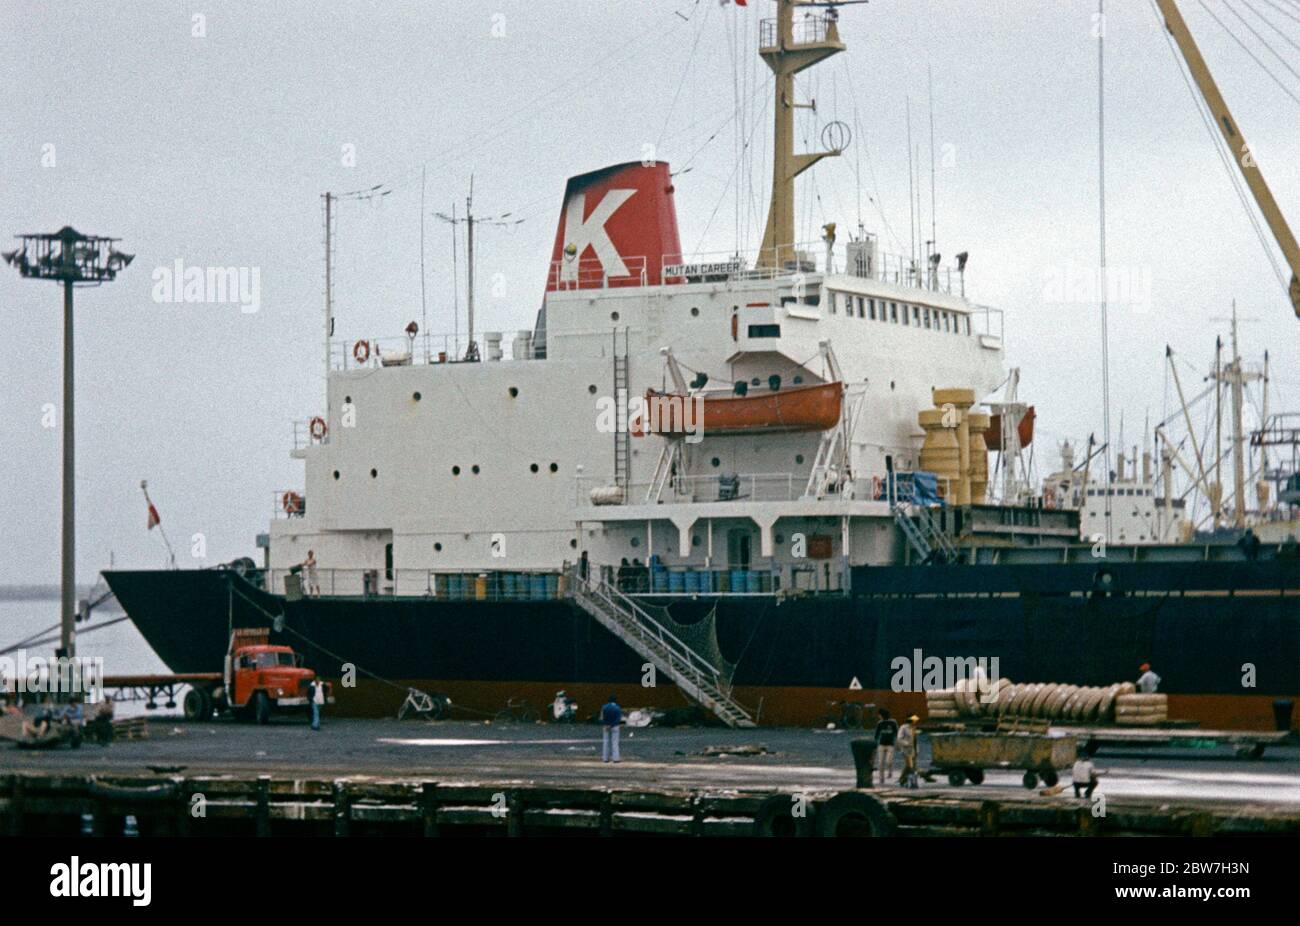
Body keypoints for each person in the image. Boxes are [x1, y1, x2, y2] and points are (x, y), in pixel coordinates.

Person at [873, 708, 900, 785]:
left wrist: (897, 743)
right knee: (880, 762)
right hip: (881, 744)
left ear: (882, 715)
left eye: (879, 715)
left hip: (890, 744)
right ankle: (881, 778)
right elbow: (876, 735)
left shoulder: (893, 722)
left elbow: (897, 733)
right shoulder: (880, 723)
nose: (878, 716)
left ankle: (890, 771)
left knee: (889, 761)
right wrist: (874, 744)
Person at [896, 714, 920, 788]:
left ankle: (903, 780)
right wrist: (906, 743)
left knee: (910, 766)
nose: (915, 722)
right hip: (906, 750)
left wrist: (917, 749)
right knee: (910, 765)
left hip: (913, 749)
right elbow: (899, 738)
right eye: (914, 720)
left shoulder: (914, 728)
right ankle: (904, 780)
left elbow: (915, 740)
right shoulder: (903, 727)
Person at [601, 693, 622, 763]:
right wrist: (612, 724)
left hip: (606, 726)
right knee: (615, 742)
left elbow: (602, 717)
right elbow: (618, 719)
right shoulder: (617, 707)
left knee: (606, 742)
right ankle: (616, 758)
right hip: (615, 726)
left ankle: (605, 758)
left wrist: (606, 724)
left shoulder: (604, 707)